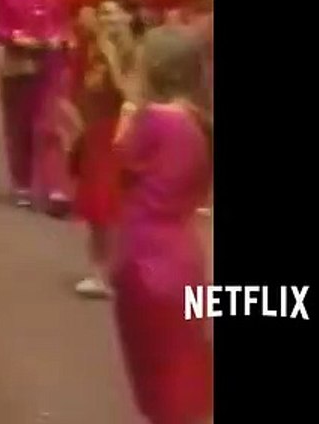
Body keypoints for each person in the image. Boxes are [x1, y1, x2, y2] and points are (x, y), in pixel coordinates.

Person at [111, 25, 213, 424]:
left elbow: (118, 163)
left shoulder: (153, 120)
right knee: (183, 366)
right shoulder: (198, 120)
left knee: (158, 379)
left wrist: (126, 114)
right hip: (183, 254)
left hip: (145, 256)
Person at [0, 0, 73, 208]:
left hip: (52, 63)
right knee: (19, 126)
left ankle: (55, 186)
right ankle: (22, 182)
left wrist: (60, 37)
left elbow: (67, 23)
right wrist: (15, 37)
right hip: (18, 64)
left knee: (51, 125)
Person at [71, 0, 141, 298]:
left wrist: (111, 56)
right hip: (94, 133)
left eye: (113, 13)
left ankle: (116, 272)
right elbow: (79, 89)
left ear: (128, 17)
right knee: (96, 208)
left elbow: (131, 94)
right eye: (102, 13)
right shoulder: (90, 50)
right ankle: (97, 272)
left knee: (112, 204)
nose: (107, 19)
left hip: (121, 134)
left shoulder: (137, 52)